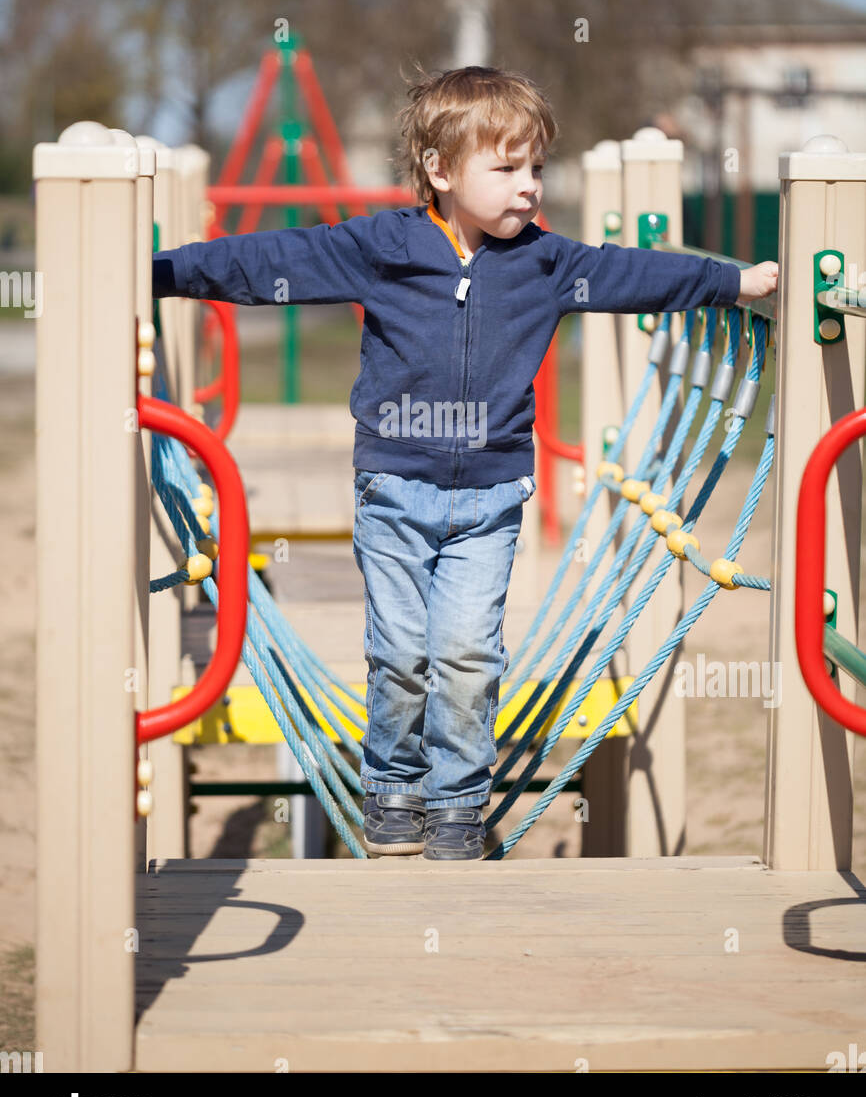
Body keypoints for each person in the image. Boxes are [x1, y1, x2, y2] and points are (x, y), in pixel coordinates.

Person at [152, 64, 778, 861]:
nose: (529, 187)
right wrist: (161, 274)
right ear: (441, 172)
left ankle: (456, 800)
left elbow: (637, 272)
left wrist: (731, 282)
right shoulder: (383, 247)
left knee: (469, 653)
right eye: (507, 167)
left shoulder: (547, 263)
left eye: (537, 168)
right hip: (393, 490)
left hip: (490, 500)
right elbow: (273, 260)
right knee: (400, 651)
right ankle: (394, 785)